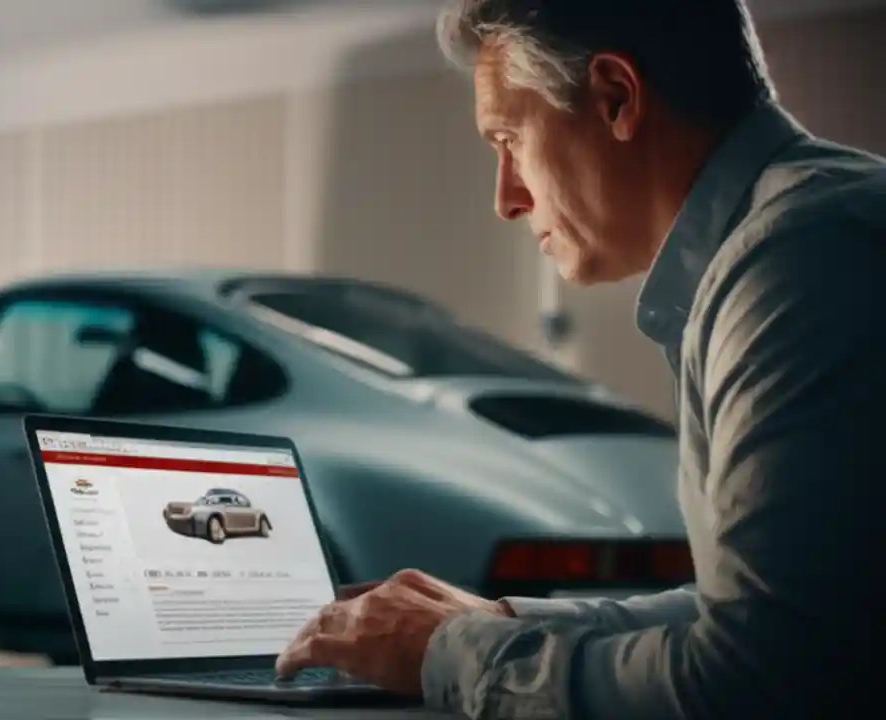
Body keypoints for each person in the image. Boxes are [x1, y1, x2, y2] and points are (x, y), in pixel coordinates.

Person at [276, 0, 886, 717]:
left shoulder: (796, 261)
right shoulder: (802, 231)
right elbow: (752, 616)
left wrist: (448, 655)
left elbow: (755, 675)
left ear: (615, 98)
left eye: (509, 137)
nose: (506, 197)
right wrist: (495, 625)